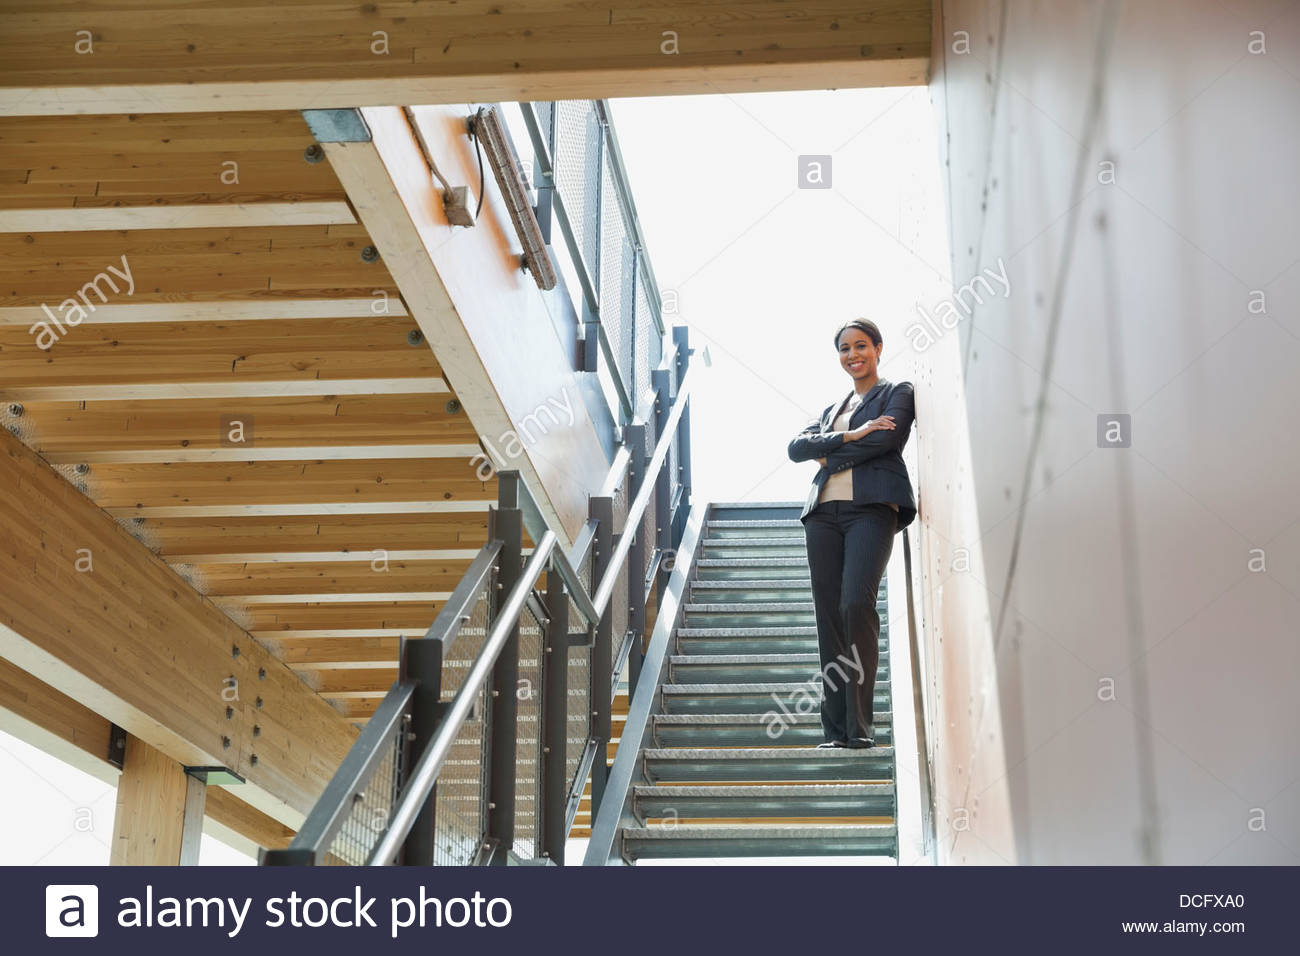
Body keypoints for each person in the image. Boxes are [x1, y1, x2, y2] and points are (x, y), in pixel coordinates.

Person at [786, 318, 916, 749]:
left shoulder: (898, 393)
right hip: (822, 515)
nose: (853, 355)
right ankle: (837, 731)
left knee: (854, 604)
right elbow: (795, 448)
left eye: (861, 346)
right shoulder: (831, 410)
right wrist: (852, 432)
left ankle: (860, 727)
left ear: (878, 348)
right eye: (844, 348)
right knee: (829, 619)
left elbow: (885, 441)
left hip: (871, 510)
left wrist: (832, 452)